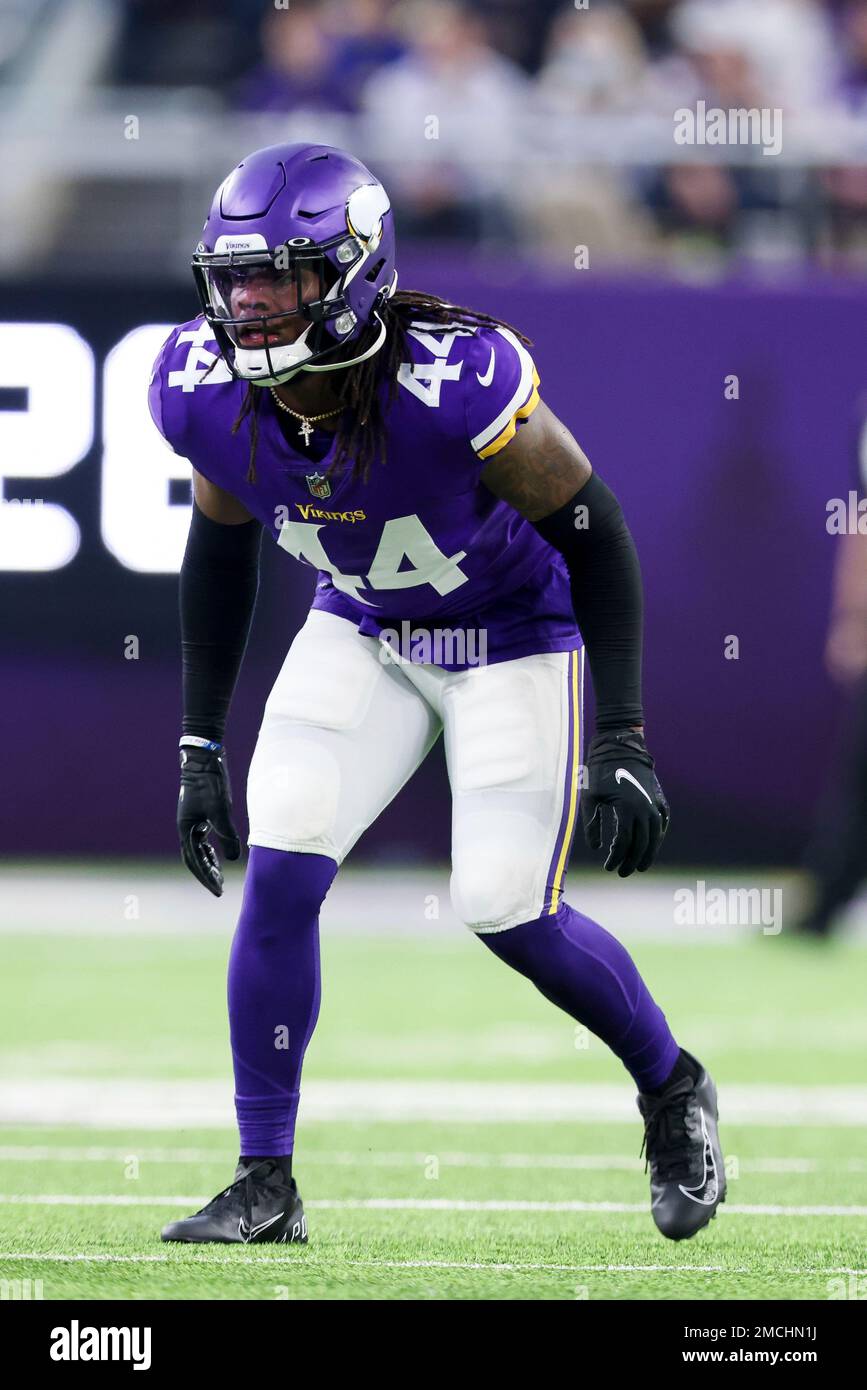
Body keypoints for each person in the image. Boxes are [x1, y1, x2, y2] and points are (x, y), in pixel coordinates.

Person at [148, 140, 725, 1245]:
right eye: (237, 278)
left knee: (505, 905)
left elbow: (595, 534)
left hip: (510, 635)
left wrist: (622, 733)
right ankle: (265, 1183)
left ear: (353, 272)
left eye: (281, 276)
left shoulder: (452, 381)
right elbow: (218, 550)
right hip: (364, 625)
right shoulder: (200, 386)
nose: (252, 304)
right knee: (284, 857)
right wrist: (196, 744)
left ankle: (671, 1086)